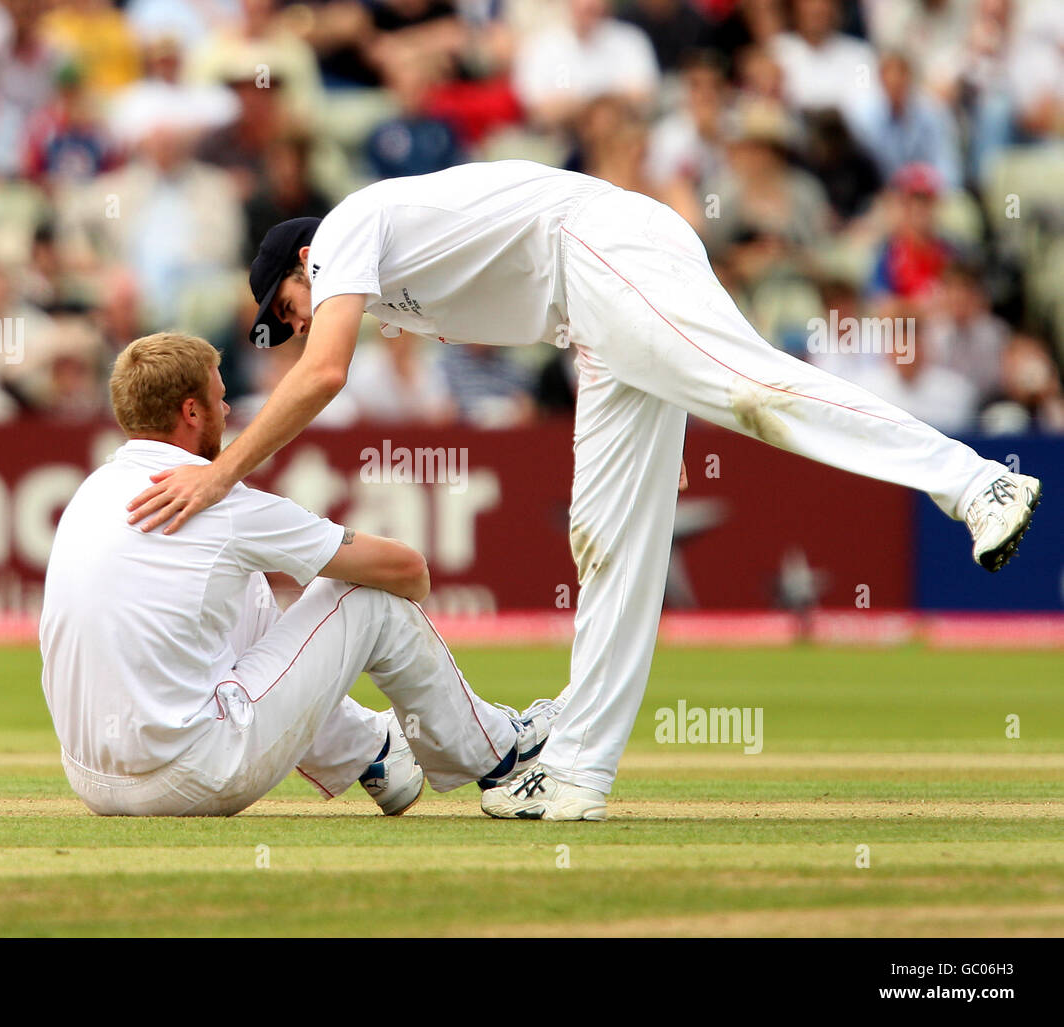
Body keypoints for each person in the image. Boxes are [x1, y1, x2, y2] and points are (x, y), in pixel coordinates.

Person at [124, 160, 1042, 821]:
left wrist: (222, 471)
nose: (294, 324)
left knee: (746, 387)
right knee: (604, 535)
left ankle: (974, 482)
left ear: (303, 260)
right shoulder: (381, 283)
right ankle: (575, 774)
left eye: (284, 306)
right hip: (586, 316)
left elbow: (322, 376)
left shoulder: (349, 228)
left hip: (602, 245)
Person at [41, 332, 563, 817]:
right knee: (366, 595)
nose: (228, 410)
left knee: (244, 589)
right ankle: (503, 754)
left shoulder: (90, 492)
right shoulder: (220, 504)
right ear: (191, 411)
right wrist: (402, 590)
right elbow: (406, 570)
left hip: (90, 779)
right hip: (192, 774)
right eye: (220, 399)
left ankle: (373, 752)